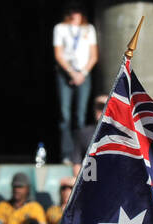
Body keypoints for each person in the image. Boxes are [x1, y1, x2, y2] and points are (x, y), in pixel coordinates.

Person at [53, 5, 98, 163]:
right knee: (65, 115)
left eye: (77, 11)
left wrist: (82, 73)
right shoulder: (60, 28)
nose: (75, 14)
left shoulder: (88, 29)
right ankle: (66, 153)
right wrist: (71, 73)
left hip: (83, 74)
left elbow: (93, 56)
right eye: (72, 11)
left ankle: (80, 153)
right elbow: (59, 54)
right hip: (65, 73)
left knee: (80, 115)